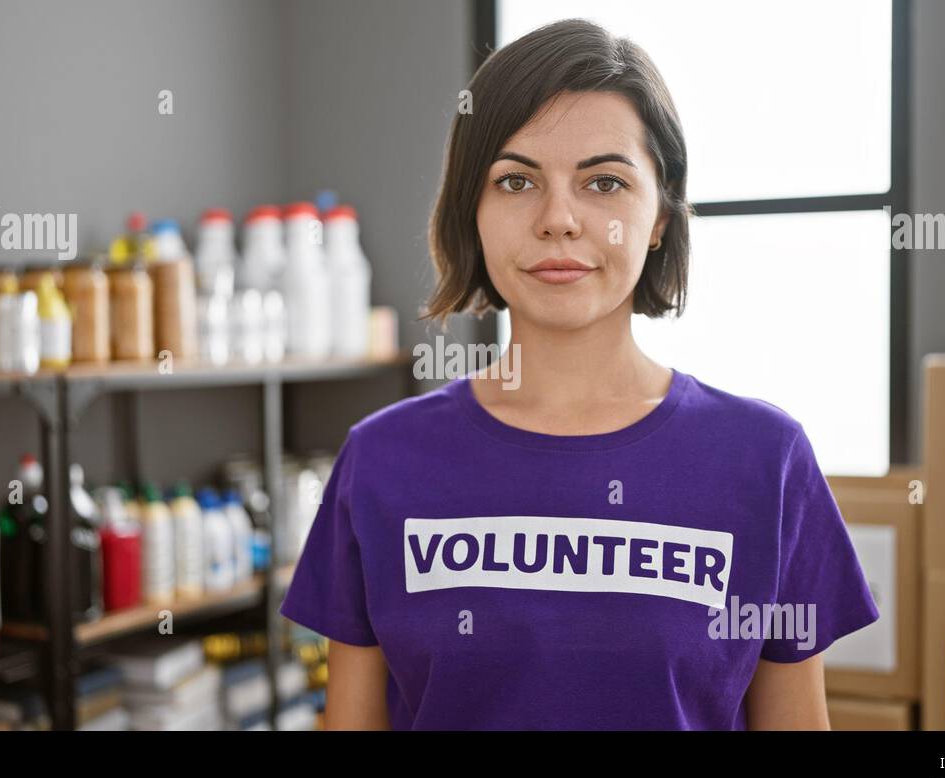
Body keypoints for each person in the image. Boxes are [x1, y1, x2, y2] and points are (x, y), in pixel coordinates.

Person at [279, 18, 879, 730]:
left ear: (660, 214)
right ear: (472, 209)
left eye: (603, 181)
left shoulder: (766, 460)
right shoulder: (380, 460)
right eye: (514, 180)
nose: (558, 218)